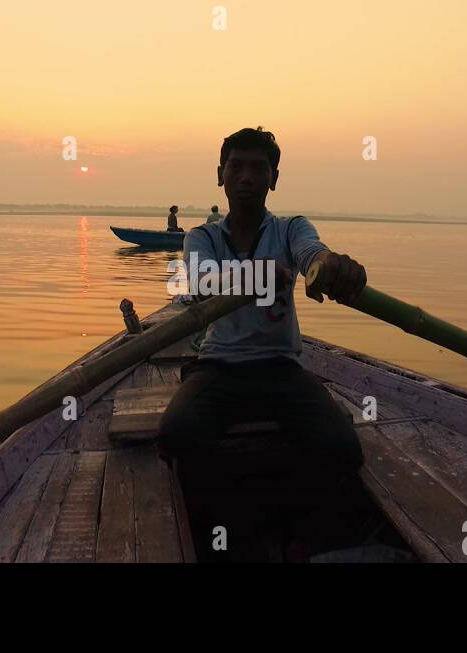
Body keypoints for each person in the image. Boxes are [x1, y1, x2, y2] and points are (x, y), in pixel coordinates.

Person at [157, 126, 367, 561]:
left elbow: (312, 253)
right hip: (218, 366)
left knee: (342, 447)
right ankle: (234, 540)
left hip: (280, 368)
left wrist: (330, 266)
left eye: (259, 168)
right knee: (178, 434)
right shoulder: (202, 238)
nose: (248, 176)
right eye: (238, 166)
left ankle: (300, 538)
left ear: (274, 179)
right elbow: (202, 282)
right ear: (221, 175)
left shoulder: (291, 228)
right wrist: (258, 276)